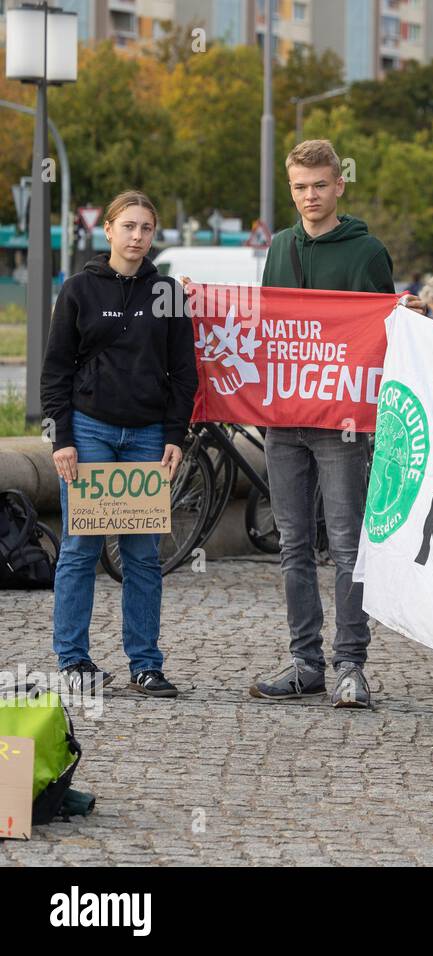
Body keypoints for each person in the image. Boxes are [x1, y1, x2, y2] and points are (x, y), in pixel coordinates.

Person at [248, 139, 395, 709]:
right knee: (292, 546)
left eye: (319, 186)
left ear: (339, 185)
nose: (310, 196)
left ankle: (351, 665)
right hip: (285, 419)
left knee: (348, 547)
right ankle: (305, 662)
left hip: (342, 423)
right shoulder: (280, 246)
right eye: (299, 188)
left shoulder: (366, 252)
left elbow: (380, 333)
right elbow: (265, 322)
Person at [42, 190, 196, 698]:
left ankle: (146, 663)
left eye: (146, 228)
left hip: (148, 434)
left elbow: (183, 372)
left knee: (144, 555)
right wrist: (62, 437)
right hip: (89, 431)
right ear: (108, 230)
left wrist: (175, 434)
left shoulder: (167, 292)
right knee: (80, 548)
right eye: (128, 226)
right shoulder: (79, 290)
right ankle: (73, 659)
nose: (137, 236)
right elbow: (57, 369)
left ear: (155, 235)